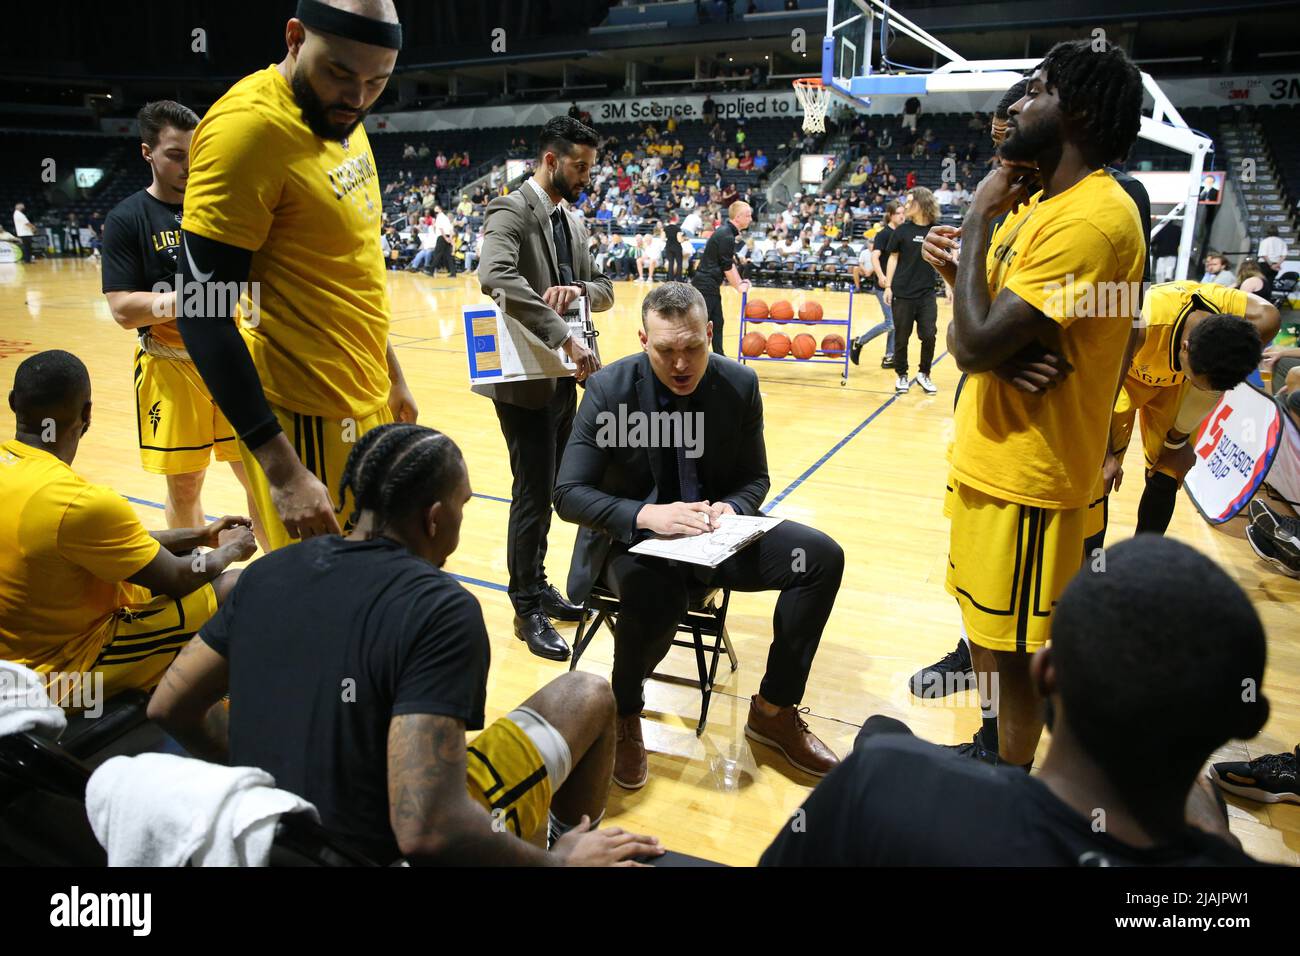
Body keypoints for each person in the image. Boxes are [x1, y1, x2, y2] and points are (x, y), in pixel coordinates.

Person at [147, 423, 664, 867]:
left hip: (263, 833)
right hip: (377, 853)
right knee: (591, 695)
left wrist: (266, 772)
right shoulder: (442, 608)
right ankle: (567, 846)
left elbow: (170, 705)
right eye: (463, 507)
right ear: (435, 518)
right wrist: (557, 864)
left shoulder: (265, 573)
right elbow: (427, 830)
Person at [760, 537, 1269, 866]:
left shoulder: (879, 784)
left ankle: (991, 757)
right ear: (1241, 724)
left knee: (879, 734)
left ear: (1045, 672)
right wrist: (1212, 836)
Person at [920, 40, 1147, 770]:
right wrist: (967, 285)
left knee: (1016, 655)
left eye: (1036, 91)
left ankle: (1016, 789)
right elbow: (979, 327)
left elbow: (976, 341)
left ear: (1076, 110)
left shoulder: (1090, 218)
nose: (1016, 104)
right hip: (989, 458)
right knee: (986, 634)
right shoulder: (1044, 204)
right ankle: (996, 750)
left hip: (1033, 477)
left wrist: (982, 212)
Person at [554, 283, 844, 789]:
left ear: (711, 333)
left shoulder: (739, 383)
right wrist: (650, 517)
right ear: (643, 339)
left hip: (714, 535)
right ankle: (625, 712)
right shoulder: (609, 389)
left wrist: (731, 509)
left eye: (693, 347)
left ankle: (773, 710)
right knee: (655, 593)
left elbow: (756, 477)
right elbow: (568, 494)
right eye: (667, 350)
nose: (682, 363)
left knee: (819, 558)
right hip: (635, 542)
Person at [176, 0, 418, 552]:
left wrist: (391, 373)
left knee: (371, 593)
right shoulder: (247, 133)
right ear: (293, 37)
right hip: (303, 418)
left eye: (377, 81)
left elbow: (349, 263)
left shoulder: (341, 115)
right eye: (340, 73)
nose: (357, 98)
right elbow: (201, 314)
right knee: (320, 611)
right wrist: (283, 472)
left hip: (367, 397)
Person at [0, 351, 256, 705]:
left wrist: (201, 535)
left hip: (13, 655)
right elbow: (178, 577)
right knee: (240, 585)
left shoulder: (21, 475)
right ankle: (224, 708)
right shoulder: (79, 501)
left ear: (14, 403)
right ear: (87, 413)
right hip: (60, 673)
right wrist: (233, 549)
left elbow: (106, 542)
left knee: (184, 555)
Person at [475, 116, 610, 662]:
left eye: (591, 168)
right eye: (580, 167)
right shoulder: (510, 210)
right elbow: (496, 277)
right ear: (551, 161)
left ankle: (538, 582)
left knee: (556, 488)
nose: (587, 178)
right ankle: (526, 605)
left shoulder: (572, 224)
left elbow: (603, 290)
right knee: (532, 492)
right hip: (524, 379)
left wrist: (576, 291)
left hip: (562, 377)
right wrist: (562, 334)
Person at [101, 100, 265, 549]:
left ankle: (281, 577)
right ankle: (197, 579)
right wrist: (195, 298)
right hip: (169, 367)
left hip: (231, 357)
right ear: (147, 153)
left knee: (259, 476)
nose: (188, 165)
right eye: (175, 154)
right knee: (186, 486)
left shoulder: (219, 207)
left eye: (195, 154)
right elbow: (122, 309)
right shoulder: (127, 219)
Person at [1101, 280, 1279, 538]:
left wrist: (1177, 443)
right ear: (1184, 348)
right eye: (1199, 383)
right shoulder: (1141, 324)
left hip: (1175, 384)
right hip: (1124, 379)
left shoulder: (1263, 321)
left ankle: (1141, 566)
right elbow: (1098, 393)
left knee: (1168, 473)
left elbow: (1209, 387)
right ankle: (1094, 567)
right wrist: (1104, 454)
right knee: (1102, 476)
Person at [884, 187, 940, 394]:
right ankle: (902, 375)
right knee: (901, 338)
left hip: (926, 293)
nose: (905, 206)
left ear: (921, 203)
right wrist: (888, 286)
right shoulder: (901, 231)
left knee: (929, 335)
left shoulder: (936, 231)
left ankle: (924, 374)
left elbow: (944, 261)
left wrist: (951, 286)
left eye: (909, 202)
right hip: (902, 293)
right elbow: (893, 257)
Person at [689, 201, 753, 355]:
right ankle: (691, 355)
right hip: (705, 284)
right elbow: (727, 266)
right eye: (747, 215)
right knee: (701, 324)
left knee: (717, 322)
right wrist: (739, 286)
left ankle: (719, 357)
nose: (751, 218)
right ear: (737, 217)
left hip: (709, 284)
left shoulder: (726, 233)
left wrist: (740, 282)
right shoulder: (726, 235)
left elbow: (728, 263)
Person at [850, 201, 904, 368]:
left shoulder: (902, 233)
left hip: (896, 285)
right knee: (891, 323)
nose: (903, 216)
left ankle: (889, 356)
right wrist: (881, 276)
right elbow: (874, 257)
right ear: (891, 215)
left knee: (895, 322)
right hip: (882, 286)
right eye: (899, 213)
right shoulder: (883, 234)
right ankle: (859, 342)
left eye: (904, 213)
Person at [663, 215, 684, 281]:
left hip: (668, 246)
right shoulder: (678, 228)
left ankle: (670, 279)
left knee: (670, 263)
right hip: (677, 247)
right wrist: (684, 239)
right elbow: (679, 240)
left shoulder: (665, 228)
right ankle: (679, 279)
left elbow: (662, 238)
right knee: (679, 263)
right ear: (675, 219)